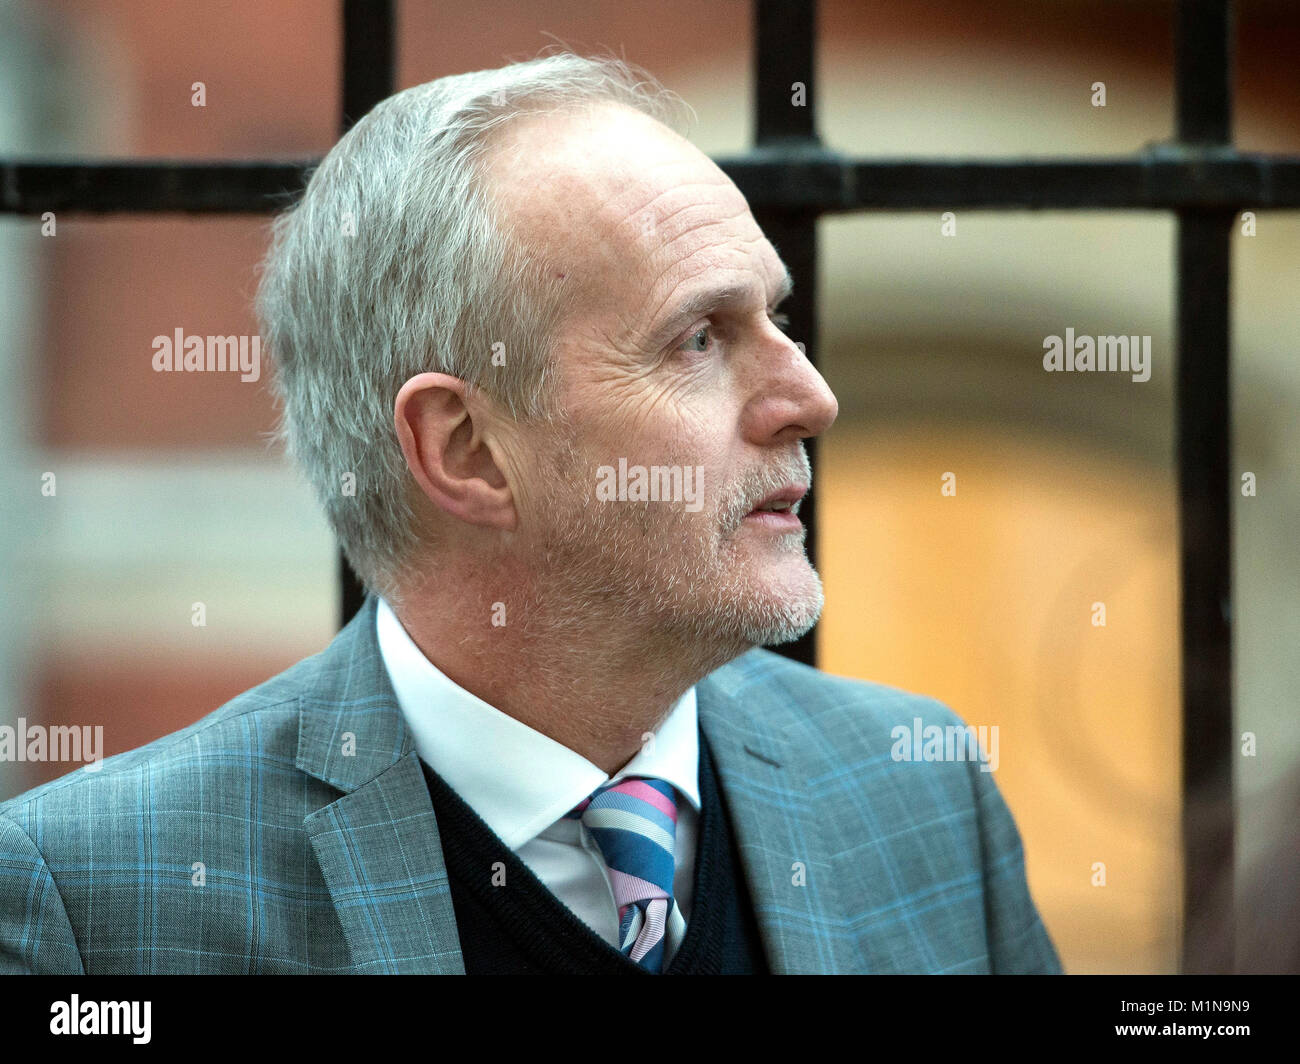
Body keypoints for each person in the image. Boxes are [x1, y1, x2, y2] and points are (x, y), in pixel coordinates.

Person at [0, 52, 1060, 974]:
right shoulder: (102, 899)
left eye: (773, 316)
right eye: (697, 338)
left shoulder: (914, 792)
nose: (809, 397)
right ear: (466, 450)